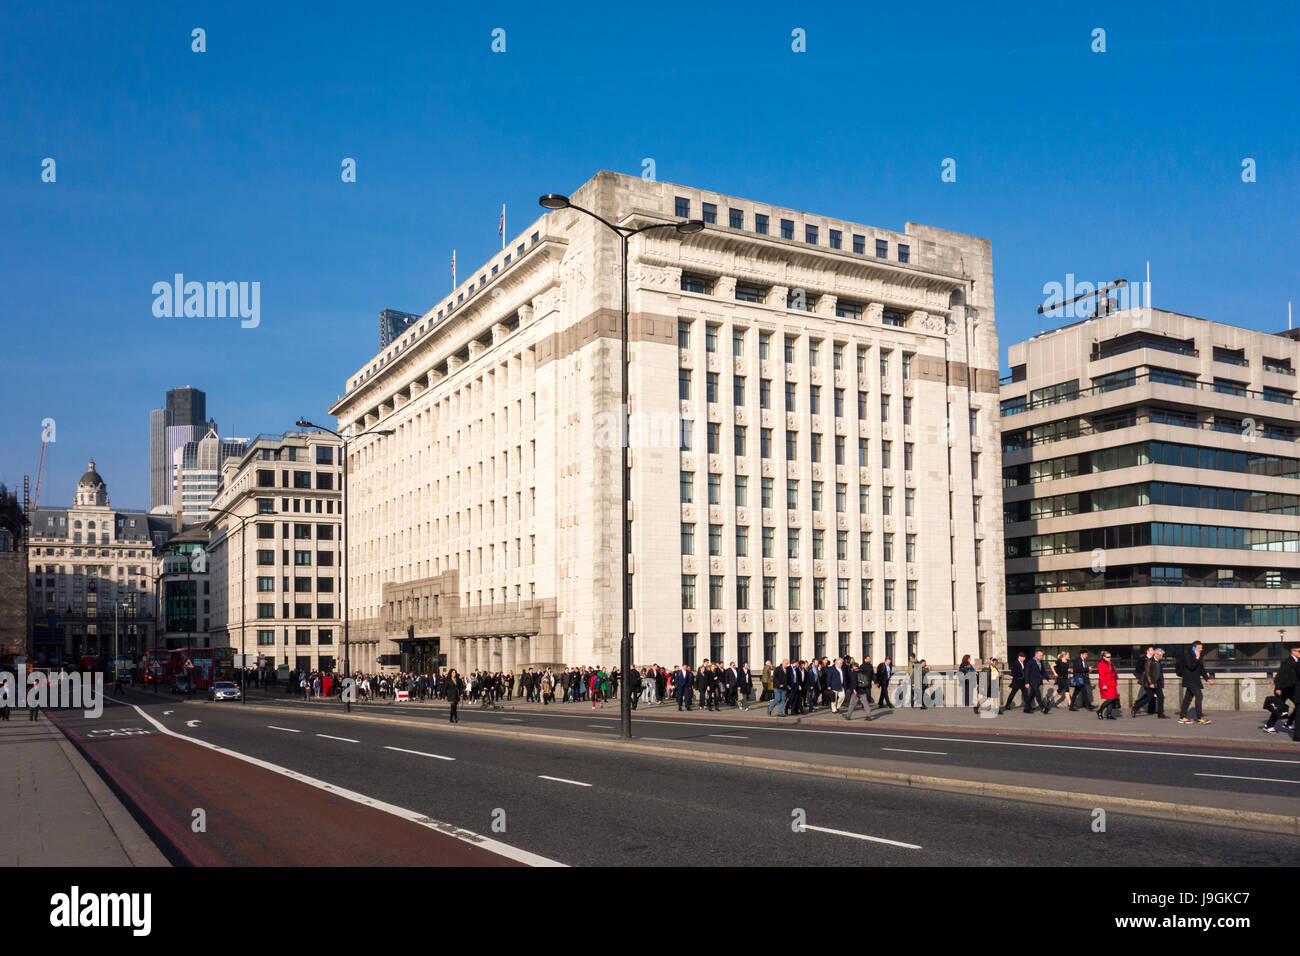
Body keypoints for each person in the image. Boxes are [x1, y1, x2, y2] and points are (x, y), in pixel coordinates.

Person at [1176, 641, 1214, 725]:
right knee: (1199, 696)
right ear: (1194, 648)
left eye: (1201, 648)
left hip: (1195, 680)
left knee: (1187, 699)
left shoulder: (1200, 656)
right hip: (1189, 680)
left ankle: (1182, 717)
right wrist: (1196, 658)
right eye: (1199, 648)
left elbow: (1201, 669)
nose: (1201, 649)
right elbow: (1191, 666)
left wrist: (1207, 679)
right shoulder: (1188, 655)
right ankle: (1200, 717)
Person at [1264, 645, 1299, 733]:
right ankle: (1269, 726)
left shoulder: (1297, 661)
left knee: (1298, 705)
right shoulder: (1287, 661)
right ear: (1293, 652)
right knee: (1279, 707)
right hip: (1283, 688)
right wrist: (1278, 688)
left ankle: (1289, 723)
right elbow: (1280, 675)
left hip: (1292, 688)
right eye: (1299, 651)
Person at [1096, 650, 1121, 719]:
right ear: (1103, 657)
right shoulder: (1101, 664)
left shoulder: (1110, 663)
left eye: (1110, 657)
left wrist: (1116, 678)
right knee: (1109, 699)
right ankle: (1100, 711)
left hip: (1112, 683)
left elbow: (1113, 672)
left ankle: (1109, 714)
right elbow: (1101, 675)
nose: (1109, 658)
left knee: (1112, 698)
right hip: (1105, 683)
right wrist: (1104, 684)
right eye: (1108, 657)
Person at [1023, 650, 1048, 714]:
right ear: (1036, 655)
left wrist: (1048, 679)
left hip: (1038, 681)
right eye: (1040, 655)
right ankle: (1043, 707)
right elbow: (1027, 673)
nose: (1041, 656)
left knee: (1032, 695)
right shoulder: (1030, 662)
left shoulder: (1040, 662)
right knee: (1038, 694)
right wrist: (1026, 682)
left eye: (1042, 655)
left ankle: (1026, 707)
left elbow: (1043, 671)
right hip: (1032, 681)